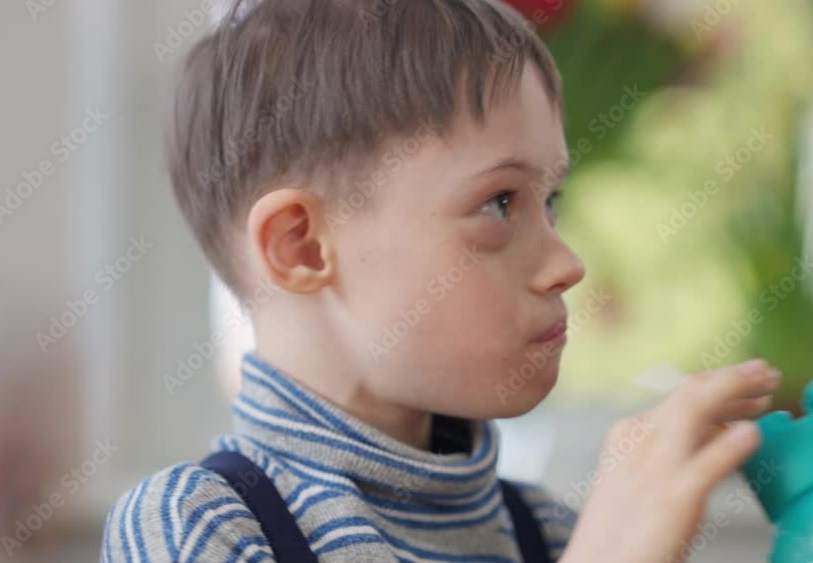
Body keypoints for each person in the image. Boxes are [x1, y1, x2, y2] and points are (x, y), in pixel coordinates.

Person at [102, 0, 780, 560]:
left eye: (551, 203)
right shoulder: (194, 525)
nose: (568, 263)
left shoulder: (546, 533)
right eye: (499, 203)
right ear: (301, 246)